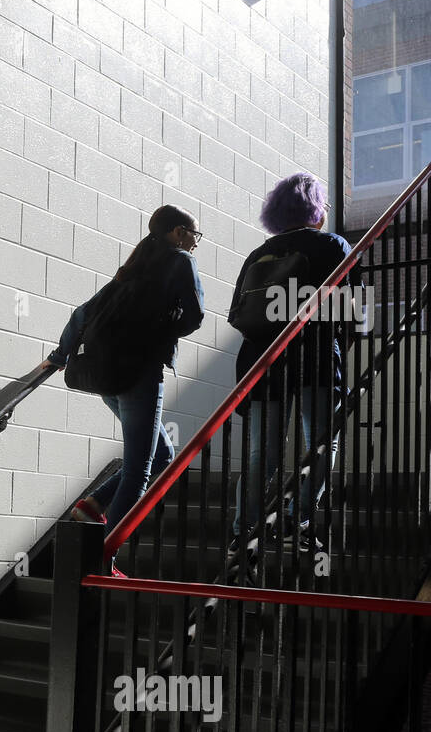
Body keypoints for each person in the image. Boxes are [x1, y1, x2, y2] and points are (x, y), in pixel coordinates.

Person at [41, 204, 205, 577]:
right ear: (178, 233)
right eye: (195, 235)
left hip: (107, 380)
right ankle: (103, 558)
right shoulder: (180, 260)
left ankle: (94, 504)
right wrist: (162, 329)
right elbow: (195, 317)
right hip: (139, 375)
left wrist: (58, 356)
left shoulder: (132, 267)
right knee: (139, 471)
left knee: (163, 454)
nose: (196, 243)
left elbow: (81, 313)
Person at [229, 172, 363, 557]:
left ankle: (244, 533)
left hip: (262, 361)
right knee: (322, 442)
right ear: (316, 210)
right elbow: (352, 310)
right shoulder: (333, 245)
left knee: (261, 455)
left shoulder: (259, 254)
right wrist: (344, 342)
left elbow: (239, 314)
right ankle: (296, 519)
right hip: (316, 357)